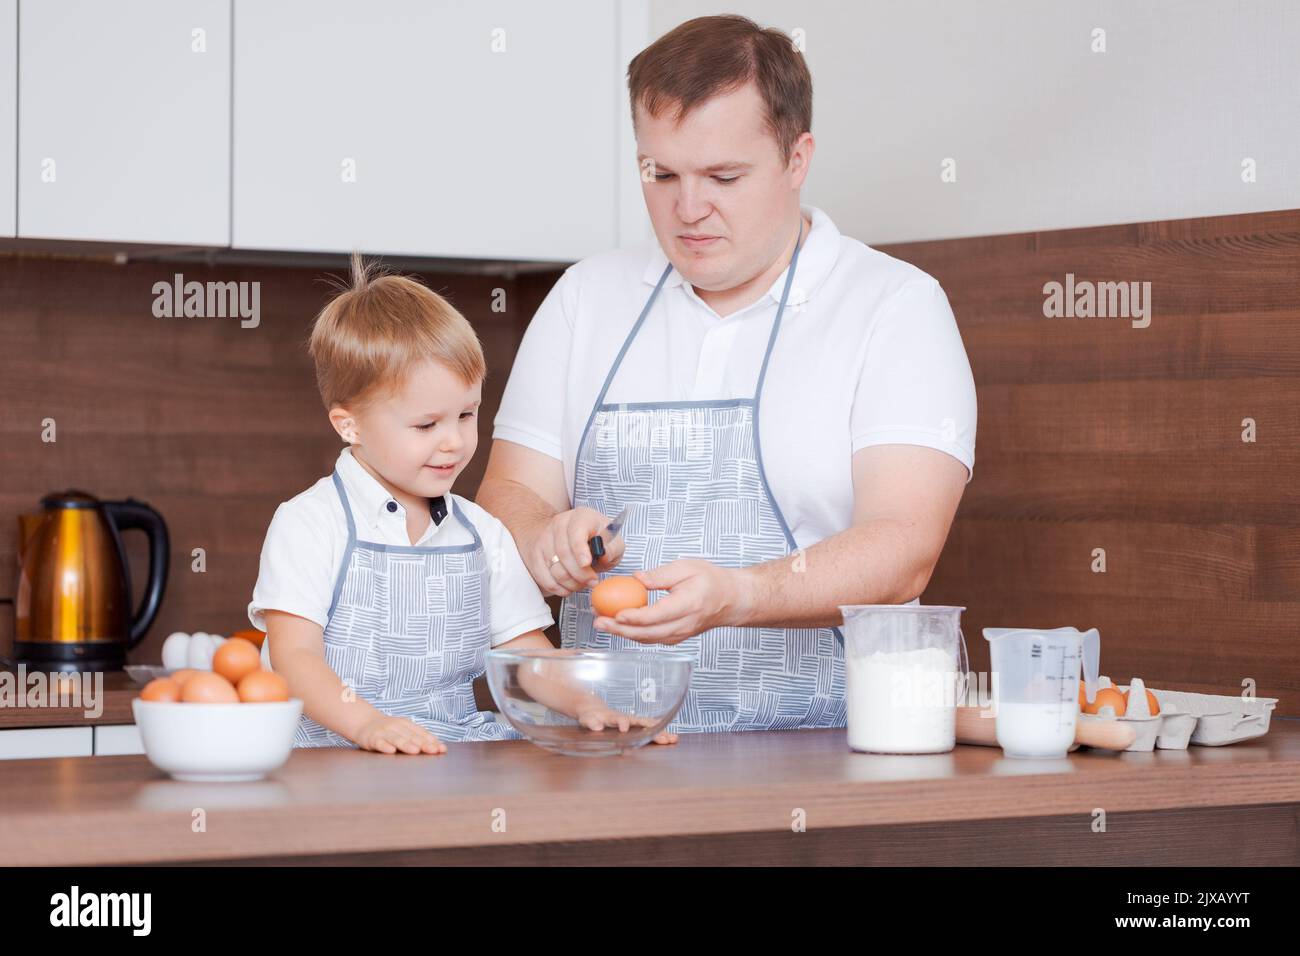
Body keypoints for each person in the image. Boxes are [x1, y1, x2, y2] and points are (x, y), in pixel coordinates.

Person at [477, 15, 976, 733]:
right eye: (662, 173)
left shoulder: (895, 307)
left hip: (828, 748)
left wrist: (737, 595)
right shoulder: (586, 298)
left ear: (797, 158)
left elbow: (903, 546)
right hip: (611, 746)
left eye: (724, 176)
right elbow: (510, 495)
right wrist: (542, 540)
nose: (688, 209)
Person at [248, 255, 678, 752]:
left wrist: (591, 707)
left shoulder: (482, 533)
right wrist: (367, 725)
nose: (454, 441)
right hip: (327, 763)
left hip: (445, 760)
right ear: (350, 425)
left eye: (467, 414)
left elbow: (525, 654)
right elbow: (294, 658)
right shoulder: (309, 523)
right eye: (427, 425)